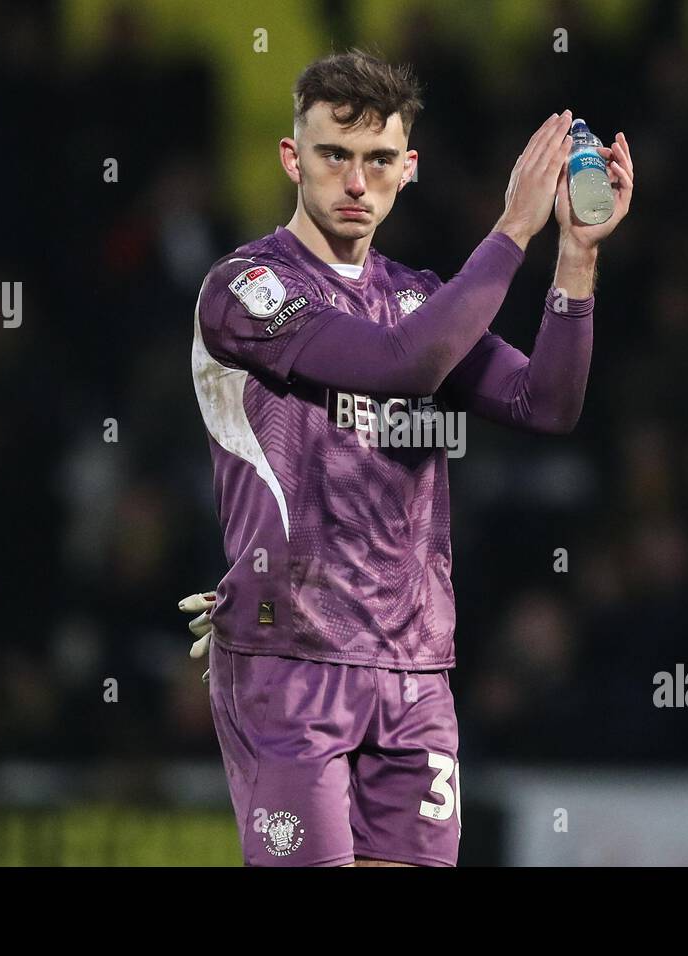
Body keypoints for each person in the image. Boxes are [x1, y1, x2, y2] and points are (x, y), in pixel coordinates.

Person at [182, 48, 632, 867]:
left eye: (379, 160)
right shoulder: (247, 289)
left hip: (415, 668)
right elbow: (398, 365)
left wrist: (576, 256)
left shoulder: (419, 299)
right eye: (334, 156)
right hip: (294, 661)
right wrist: (510, 231)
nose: (356, 182)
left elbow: (548, 403)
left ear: (408, 168)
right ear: (293, 158)